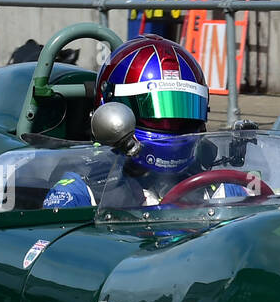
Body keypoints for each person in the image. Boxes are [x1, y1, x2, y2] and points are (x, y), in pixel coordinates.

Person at [43, 33, 242, 209]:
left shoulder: (221, 189)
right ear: (112, 110)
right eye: (158, 109)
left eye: (184, 108)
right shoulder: (82, 192)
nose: (171, 122)